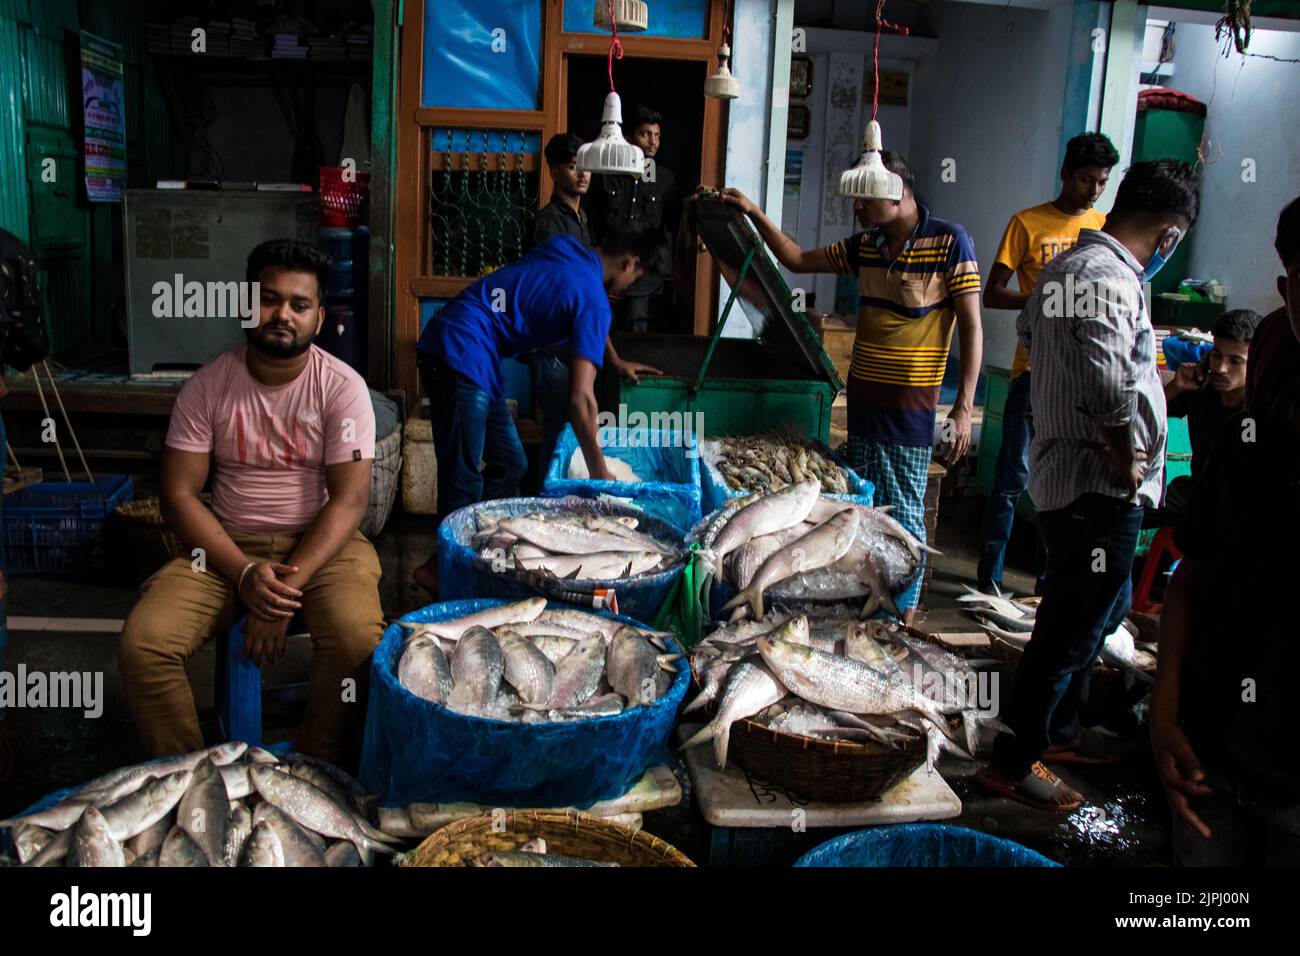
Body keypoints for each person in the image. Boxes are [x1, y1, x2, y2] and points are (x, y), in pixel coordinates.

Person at [975, 159, 1200, 811]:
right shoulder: (1105, 277)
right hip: (1097, 488)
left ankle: (1061, 730)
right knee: (1069, 630)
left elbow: (1030, 339)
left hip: (1070, 479)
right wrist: (1126, 459)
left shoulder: (1068, 270)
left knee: (1095, 613)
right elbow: (1107, 391)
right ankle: (1011, 764)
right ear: (1169, 238)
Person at [117, 239, 384, 762]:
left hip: (324, 544)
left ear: (319, 317)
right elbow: (178, 495)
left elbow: (350, 500)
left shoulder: (342, 389)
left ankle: (317, 761)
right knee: (143, 646)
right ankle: (192, 775)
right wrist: (243, 574)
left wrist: (280, 591)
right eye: (268, 299)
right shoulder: (206, 387)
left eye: (299, 304)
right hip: (224, 548)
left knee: (356, 638)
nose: (282, 314)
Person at [720, 151, 983, 623]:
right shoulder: (867, 245)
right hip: (864, 400)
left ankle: (903, 612)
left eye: (863, 200)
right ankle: (859, 607)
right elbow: (797, 260)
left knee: (902, 517)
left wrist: (963, 406)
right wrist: (754, 214)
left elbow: (972, 325)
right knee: (858, 512)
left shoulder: (949, 241)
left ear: (897, 191)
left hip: (910, 408)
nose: (856, 210)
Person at [1150, 195, 1300, 864]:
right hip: (1210, 755)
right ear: (1288, 293)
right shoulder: (1253, 439)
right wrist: (1164, 705)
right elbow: (1191, 572)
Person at [411, 222, 661, 596]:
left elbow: (584, 313)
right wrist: (600, 474)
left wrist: (613, 360)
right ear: (630, 263)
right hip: (462, 351)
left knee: (512, 463)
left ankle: (479, 554)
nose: (627, 289)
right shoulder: (594, 299)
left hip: (468, 340)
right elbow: (581, 401)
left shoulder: (568, 250)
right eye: (635, 278)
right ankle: (445, 575)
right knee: (463, 477)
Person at [977, 132, 1119, 594]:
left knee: (1059, 485)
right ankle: (989, 579)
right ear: (1066, 173)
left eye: (1102, 182)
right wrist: (1044, 297)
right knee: (1012, 478)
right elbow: (992, 292)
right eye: (1086, 179)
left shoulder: (1103, 228)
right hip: (1033, 371)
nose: (1094, 190)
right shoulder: (1028, 223)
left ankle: (1045, 585)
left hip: (1080, 379)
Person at [585, 106, 680, 332]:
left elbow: (671, 228)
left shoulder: (665, 179)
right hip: (606, 276)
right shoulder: (606, 174)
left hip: (644, 279)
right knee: (599, 330)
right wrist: (606, 276)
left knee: (637, 334)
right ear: (628, 137)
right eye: (646, 134)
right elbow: (590, 222)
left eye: (657, 136)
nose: (653, 142)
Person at [1159, 308, 1260, 513]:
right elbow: (1152, 414)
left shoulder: (1260, 408)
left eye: (1235, 361)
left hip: (1242, 502)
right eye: (1217, 355)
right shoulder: (1202, 388)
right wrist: (1176, 387)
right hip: (1197, 491)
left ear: (1256, 360)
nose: (1221, 368)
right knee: (1132, 505)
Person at [529, 133, 592, 248]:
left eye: (586, 166)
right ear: (555, 173)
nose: (583, 174)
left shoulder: (581, 216)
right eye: (573, 167)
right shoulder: (548, 222)